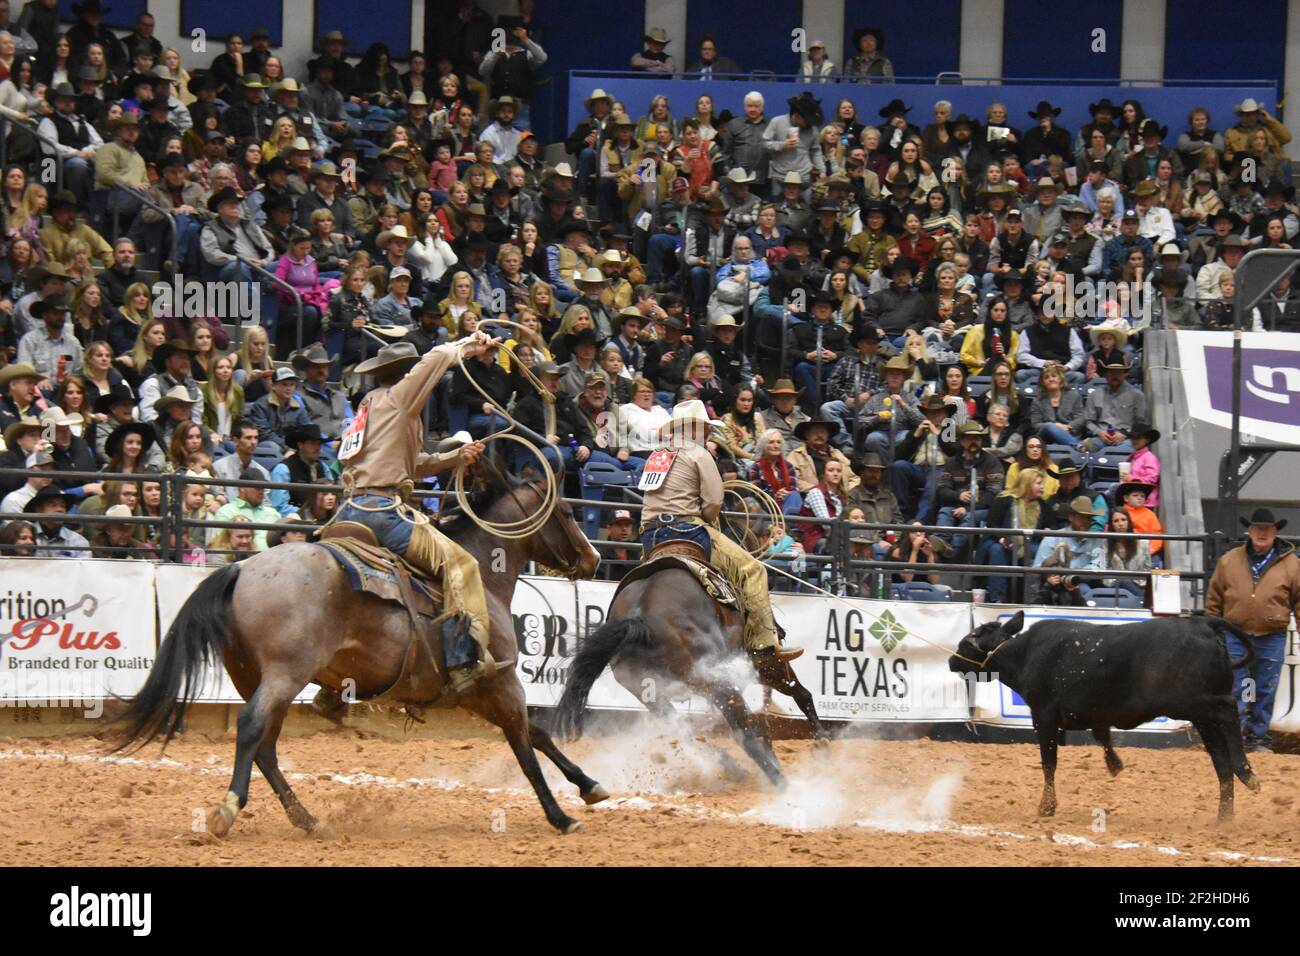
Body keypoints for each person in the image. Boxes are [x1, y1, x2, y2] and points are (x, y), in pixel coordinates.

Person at [325, 336, 495, 710]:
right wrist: (470, 344)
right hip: (383, 514)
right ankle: (461, 661)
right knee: (461, 564)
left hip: (349, 511)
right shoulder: (403, 398)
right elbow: (436, 359)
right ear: (406, 375)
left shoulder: (369, 408)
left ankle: (331, 686)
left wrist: (455, 457)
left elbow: (413, 465)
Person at [641, 399, 800, 660]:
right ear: (692, 428)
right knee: (753, 570)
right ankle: (764, 643)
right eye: (704, 428)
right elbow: (714, 503)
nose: (707, 434)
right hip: (687, 530)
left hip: (650, 534)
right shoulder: (700, 453)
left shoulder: (657, 455)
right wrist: (707, 515)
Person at [1206, 508, 1300, 754]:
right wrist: (1212, 630)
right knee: (1240, 686)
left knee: (1264, 687)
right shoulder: (1230, 561)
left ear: (1274, 532)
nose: (1261, 533)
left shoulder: (1292, 565)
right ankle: (1238, 736)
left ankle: (1258, 738)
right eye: (1257, 529)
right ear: (1250, 531)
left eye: (1266, 529)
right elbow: (1214, 598)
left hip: (1271, 635)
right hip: (1236, 634)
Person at [979, 467, 1049, 603]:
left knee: (1037, 551)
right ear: (1027, 484)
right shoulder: (1004, 500)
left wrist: (1048, 529)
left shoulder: (1043, 506)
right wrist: (1002, 538)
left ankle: (1032, 599)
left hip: (1031, 543)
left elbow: (1051, 525)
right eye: (1038, 483)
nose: (1042, 487)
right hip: (1003, 541)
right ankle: (997, 599)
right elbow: (992, 524)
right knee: (996, 550)